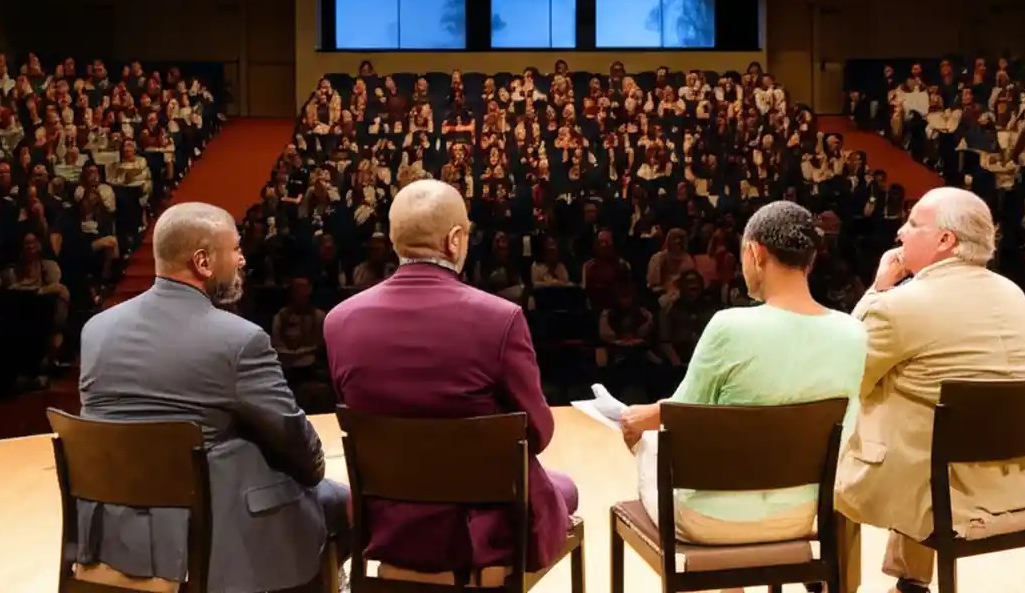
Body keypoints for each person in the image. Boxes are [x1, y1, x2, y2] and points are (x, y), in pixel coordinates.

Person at [76, 202, 350, 592]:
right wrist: (314, 472)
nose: (242, 259)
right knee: (337, 498)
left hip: (120, 533)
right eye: (235, 248)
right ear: (203, 261)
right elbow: (297, 444)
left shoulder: (96, 330)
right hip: (215, 538)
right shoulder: (239, 340)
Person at [325, 179, 578, 575]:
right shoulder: (500, 319)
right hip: (475, 530)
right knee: (566, 490)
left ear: (394, 240)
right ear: (456, 239)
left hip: (387, 523)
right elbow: (538, 434)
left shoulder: (339, 321)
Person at [620, 201, 866, 592]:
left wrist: (636, 421)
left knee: (652, 444)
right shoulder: (854, 332)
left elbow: (683, 413)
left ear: (755, 253)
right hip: (803, 516)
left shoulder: (730, 326)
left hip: (711, 522)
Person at [835, 187, 1025, 593]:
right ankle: (912, 581)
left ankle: (835, 588)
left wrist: (877, 288)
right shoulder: (1013, 294)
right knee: (918, 405)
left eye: (913, 224)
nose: (901, 232)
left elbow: (846, 374)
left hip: (939, 488)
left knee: (835, 455)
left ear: (945, 240)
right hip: (1012, 474)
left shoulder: (900, 304)